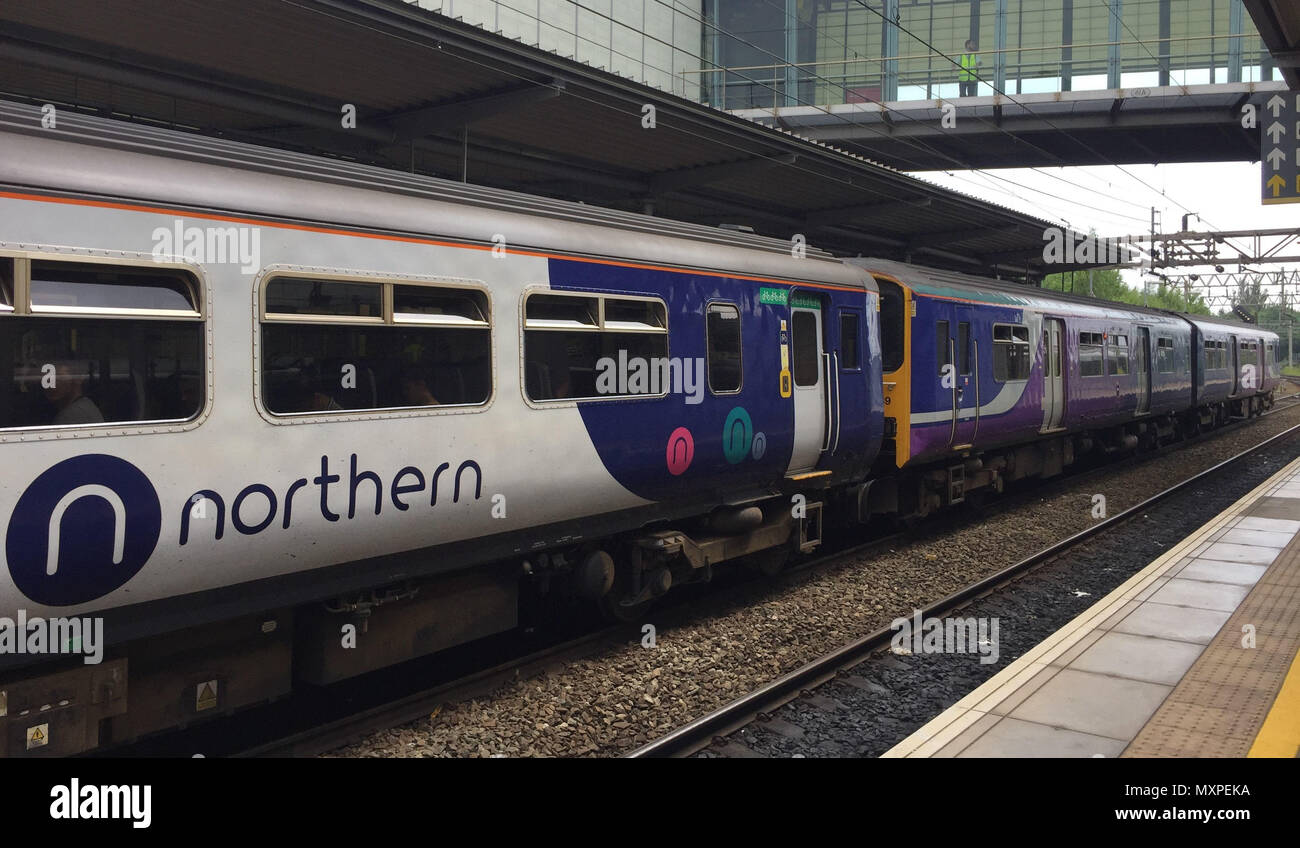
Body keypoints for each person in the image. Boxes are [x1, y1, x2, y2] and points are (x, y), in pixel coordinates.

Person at [45, 361, 104, 425]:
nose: (52, 384)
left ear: (78, 379)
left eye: (60, 377)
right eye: (48, 379)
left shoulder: (73, 414)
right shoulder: (85, 404)